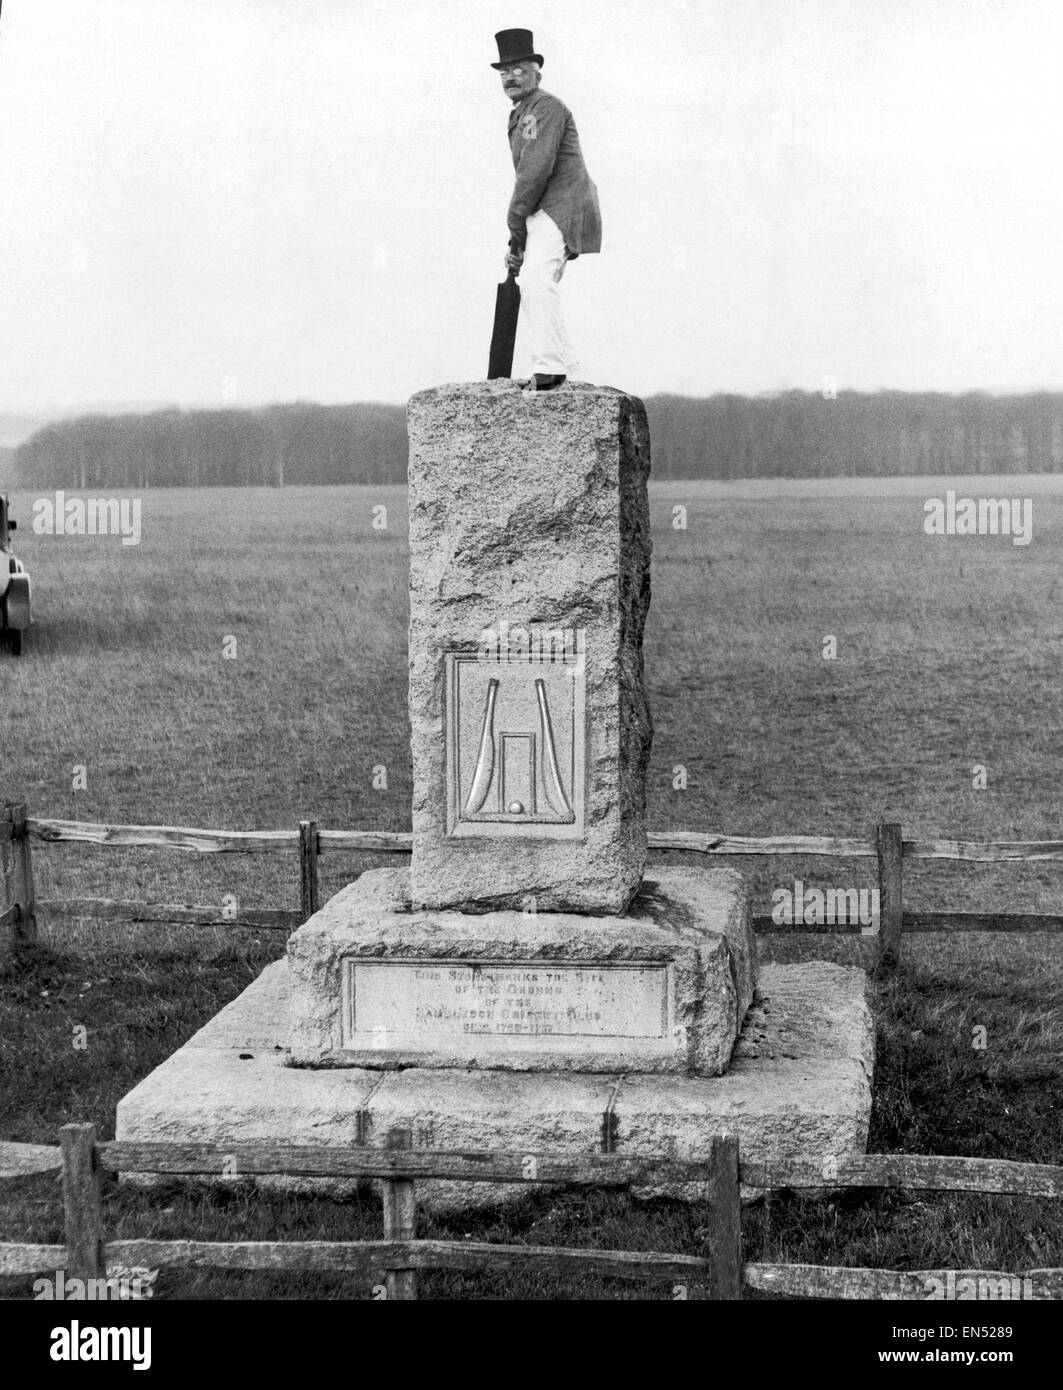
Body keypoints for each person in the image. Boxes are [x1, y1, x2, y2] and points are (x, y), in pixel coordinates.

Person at [491, 28, 602, 391]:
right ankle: (563, 366)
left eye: (519, 69)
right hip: (543, 209)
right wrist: (518, 242)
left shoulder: (545, 108)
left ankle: (551, 367)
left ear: (537, 72)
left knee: (537, 279)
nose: (511, 76)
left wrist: (514, 225)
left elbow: (534, 171)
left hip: (562, 204)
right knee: (535, 279)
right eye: (504, 71)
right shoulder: (524, 111)